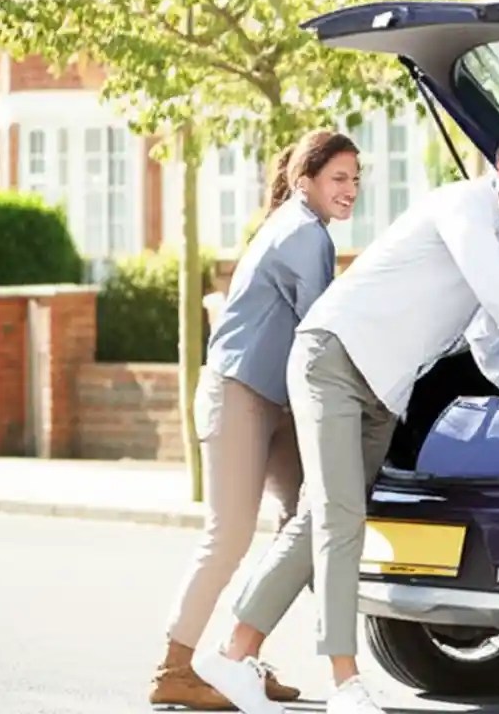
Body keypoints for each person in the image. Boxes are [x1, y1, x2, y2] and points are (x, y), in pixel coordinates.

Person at [192, 122, 499, 714]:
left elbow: (491, 344)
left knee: (316, 521)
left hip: (386, 387)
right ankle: (344, 684)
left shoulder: (498, 241)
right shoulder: (463, 207)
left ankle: (230, 655)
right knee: (339, 519)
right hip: (334, 357)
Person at [148, 129, 361, 710]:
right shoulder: (303, 232)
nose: (352, 190)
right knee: (230, 534)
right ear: (305, 181)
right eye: (339, 178)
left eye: (356, 179)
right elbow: (325, 327)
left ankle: (234, 657)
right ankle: (175, 666)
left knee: (305, 523)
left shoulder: (303, 228)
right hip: (240, 393)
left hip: (278, 399)